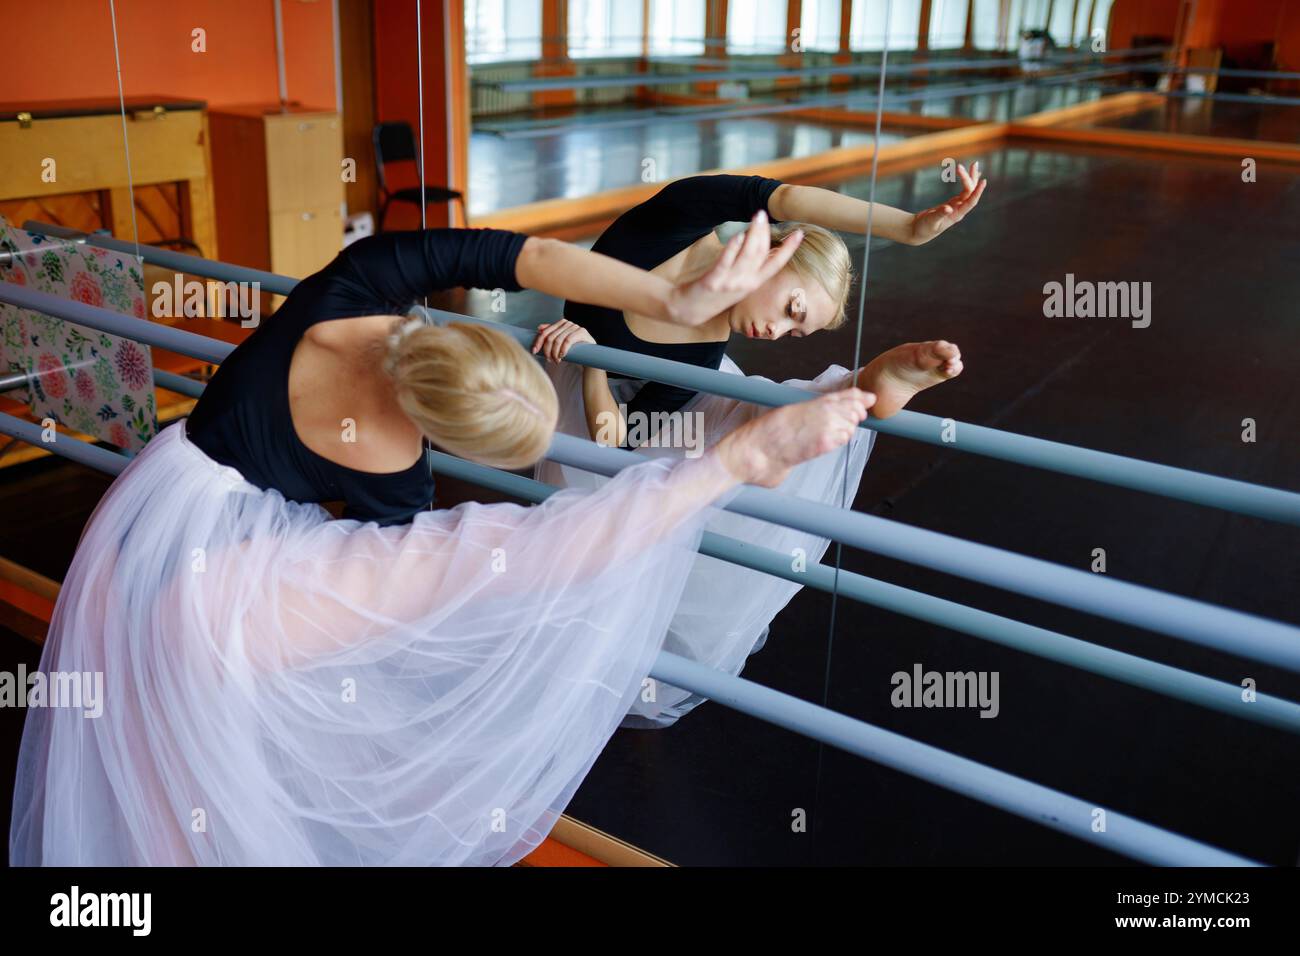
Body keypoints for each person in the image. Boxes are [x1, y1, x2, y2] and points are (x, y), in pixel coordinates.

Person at [8, 222, 873, 866]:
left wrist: (668, 300)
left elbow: (524, 257)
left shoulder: (359, 282)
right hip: (208, 604)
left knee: (149, 751)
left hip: (151, 511)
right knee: (200, 777)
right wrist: (734, 457)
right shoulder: (394, 476)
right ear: (442, 437)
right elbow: (528, 555)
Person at [531, 169, 985, 727]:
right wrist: (908, 228)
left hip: (623, 409)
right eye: (793, 309)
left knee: (758, 418)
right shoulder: (679, 222)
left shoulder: (698, 358)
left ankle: (862, 387)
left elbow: (621, 440)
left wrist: (594, 362)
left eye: (797, 334)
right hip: (572, 410)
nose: (778, 332)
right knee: (717, 433)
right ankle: (850, 394)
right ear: (774, 250)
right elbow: (788, 197)